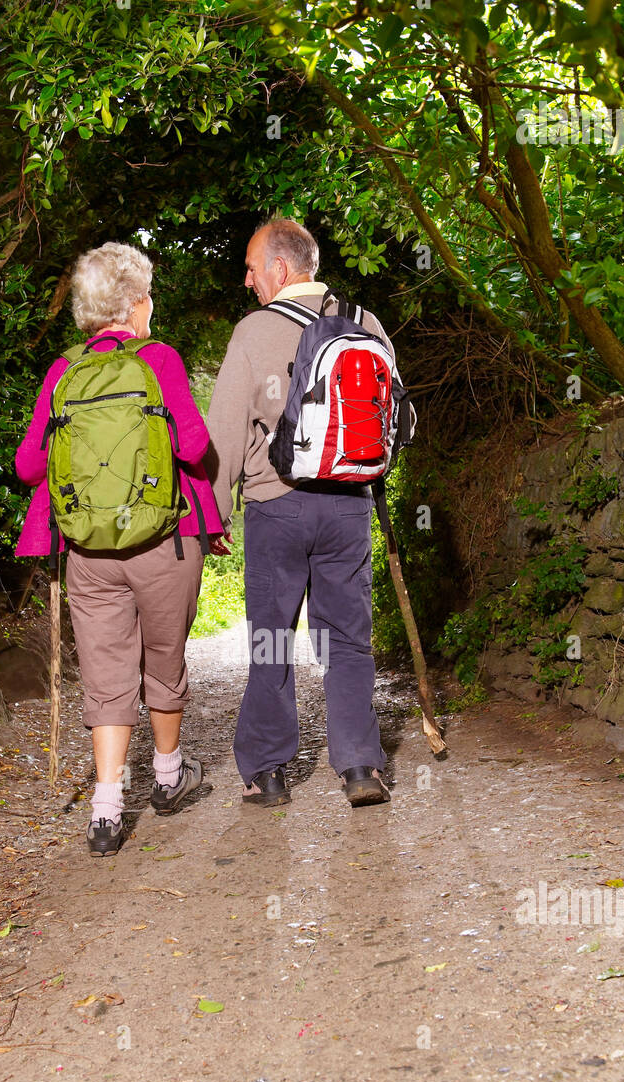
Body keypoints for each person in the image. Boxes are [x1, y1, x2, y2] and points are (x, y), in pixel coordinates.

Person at [15, 241, 225, 854]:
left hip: (87, 549)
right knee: (164, 655)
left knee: (106, 670)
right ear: (134, 304)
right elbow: (192, 447)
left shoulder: (63, 371)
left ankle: (106, 811)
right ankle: (167, 778)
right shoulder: (159, 360)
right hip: (165, 541)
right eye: (149, 294)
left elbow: (30, 466)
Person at [207, 218, 400, 809]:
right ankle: (360, 766)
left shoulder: (254, 330)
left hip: (276, 506)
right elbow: (392, 415)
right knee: (348, 640)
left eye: (251, 267)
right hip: (349, 505)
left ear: (281, 269)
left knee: (270, 639)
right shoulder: (365, 323)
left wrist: (214, 513)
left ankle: (268, 773)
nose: (247, 280)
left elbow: (224, 429)